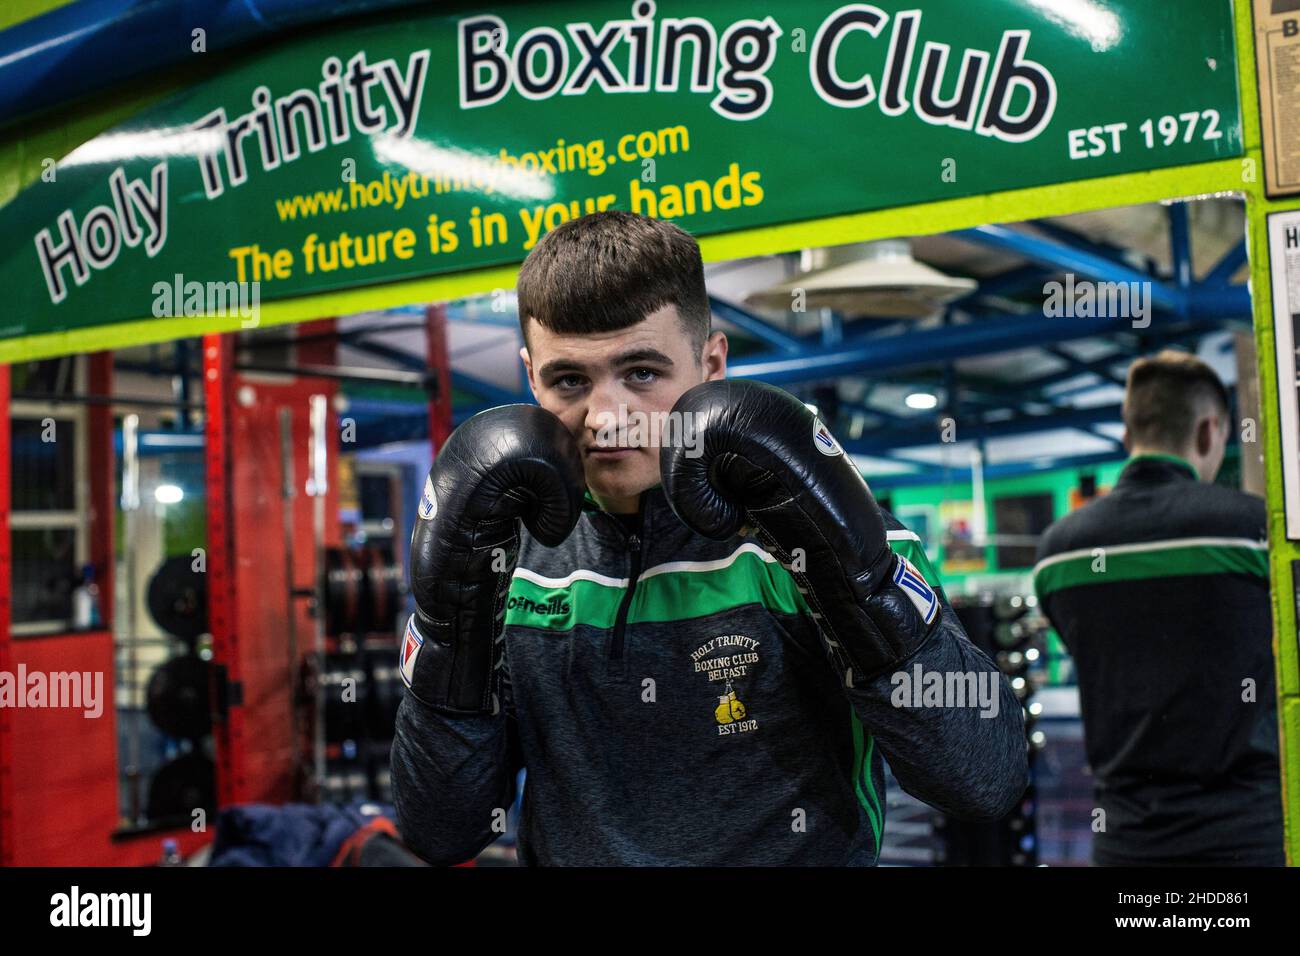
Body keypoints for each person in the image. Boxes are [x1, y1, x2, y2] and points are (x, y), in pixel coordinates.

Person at [391, 210, 1027, 866]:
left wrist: (859, 580)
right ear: (531, 377)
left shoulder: (805, 534)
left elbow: (984, 778)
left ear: (712, 363)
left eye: (641, 373)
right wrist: (449, 632)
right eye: (570, 380)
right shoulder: (510, 553)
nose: (607, 419)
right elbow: (440, 829)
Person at [1033, 349, 1284, 866]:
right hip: (1249, 842)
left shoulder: (1060, 553)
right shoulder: (1259, 532)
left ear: (1128, 437)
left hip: (1125, 846)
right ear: (1210, 432)